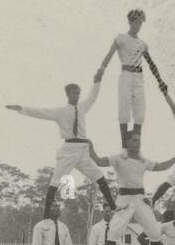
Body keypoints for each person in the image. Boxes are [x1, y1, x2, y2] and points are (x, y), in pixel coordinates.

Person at [7, 73, 116, 215]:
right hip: (68, 150)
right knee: (56, 181)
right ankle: (46, 215)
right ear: (67, 95)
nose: (76, 96)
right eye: (73, 93)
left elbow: (92, 97)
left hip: (82, 150)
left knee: (98, 175)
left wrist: (97, 81)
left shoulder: (82, 108)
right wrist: (21, 108)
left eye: (78, 93)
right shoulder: (61, 112)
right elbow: (41, 112)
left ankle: (113, 207)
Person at [90, 131, 175, 245]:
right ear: (126, 142)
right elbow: (98, 161)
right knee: (114, 230)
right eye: (134, 140)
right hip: (125, 198)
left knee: (155, 231)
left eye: (139, 140)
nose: (137, 143)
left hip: (140, 199)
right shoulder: (118, 158)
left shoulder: (143, 161)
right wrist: (90, 147)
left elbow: (162, 166)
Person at [96, 8, 156, 148]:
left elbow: (151, 64)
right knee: (124, 111)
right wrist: (101, 69)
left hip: (139, 77)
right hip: (126, 75)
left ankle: (135, 148)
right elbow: (110, 54)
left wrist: (160, 80)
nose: (139, 25)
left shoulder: (142, 44)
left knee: (139, 112)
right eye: (137, 22)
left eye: (141, 23)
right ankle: (124, 146)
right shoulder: (121, 38)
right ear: (131, 22)